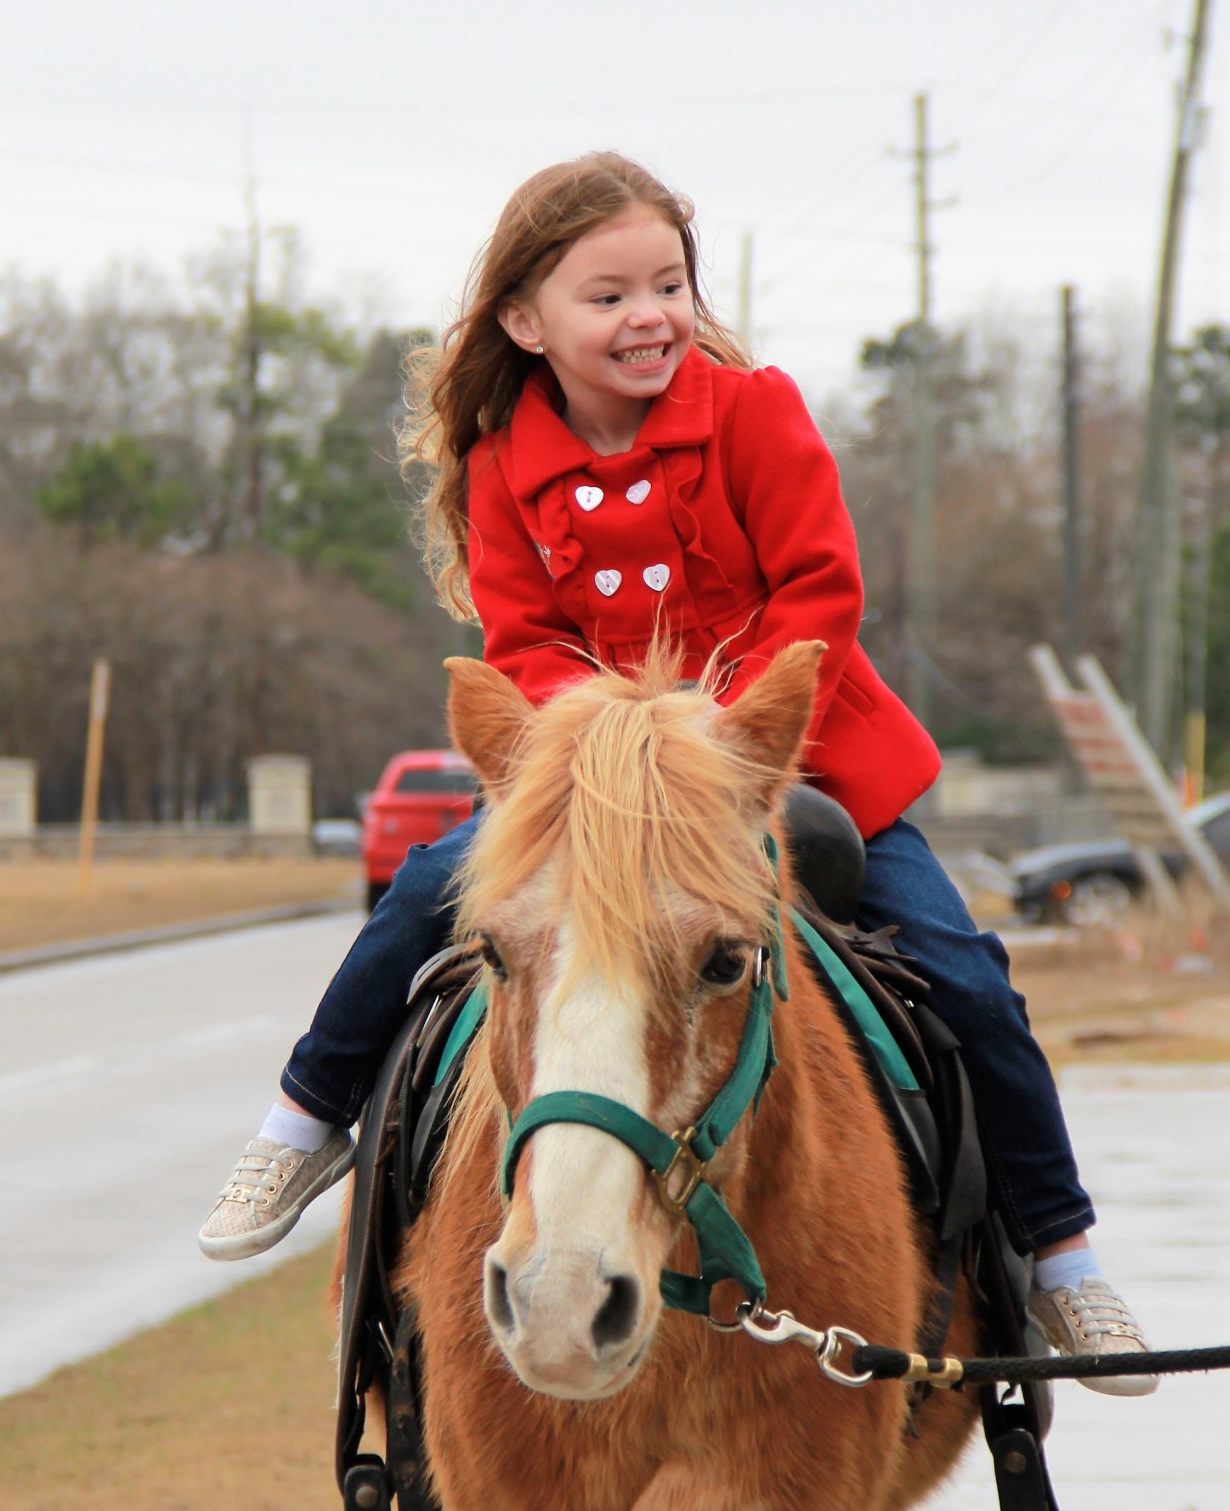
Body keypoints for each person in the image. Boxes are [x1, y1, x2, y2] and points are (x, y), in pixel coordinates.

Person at [198, 151, 1153, 1396]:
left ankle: (1059, 1257)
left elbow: (820, 589)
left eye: (668, 284)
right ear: (523, 322)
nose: (649, 314)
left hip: (796, 769)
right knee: (421, 902)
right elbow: (524, 641)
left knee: (965, 976)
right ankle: (304, 1124)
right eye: (608, 295)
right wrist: (607, 744)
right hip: (593, 788)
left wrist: (710, 738)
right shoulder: (502, 465)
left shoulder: (753, 410)